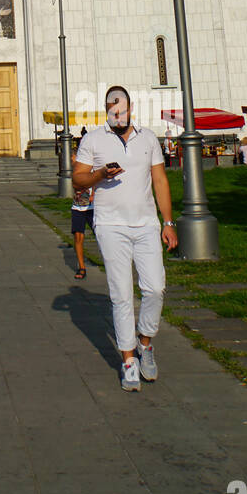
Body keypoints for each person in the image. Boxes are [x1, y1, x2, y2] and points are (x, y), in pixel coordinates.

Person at [74, 85, 177, 392]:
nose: (117, 113)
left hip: (146, 223)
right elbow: (78, 177)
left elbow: (159, 179)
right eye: (111, 108)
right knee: (121, 294)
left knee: (155, 287)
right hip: (110, 226)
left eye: (122, 107)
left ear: (131, 108)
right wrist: (100, 175)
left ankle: (145, 342)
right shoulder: (93, 139)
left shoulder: (147, 138)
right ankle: (129, 360)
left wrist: (167, 222)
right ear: (107, 109)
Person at [70, 147, 94, 278]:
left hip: (92, 207)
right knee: (78, 236)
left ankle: (112, 263)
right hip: (77, 207)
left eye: (72, 157)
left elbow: (95, 180)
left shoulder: (90, 166)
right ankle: (81, 267)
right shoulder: (74, 170)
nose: (71, 160)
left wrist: (93, 194)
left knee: (101, 236)